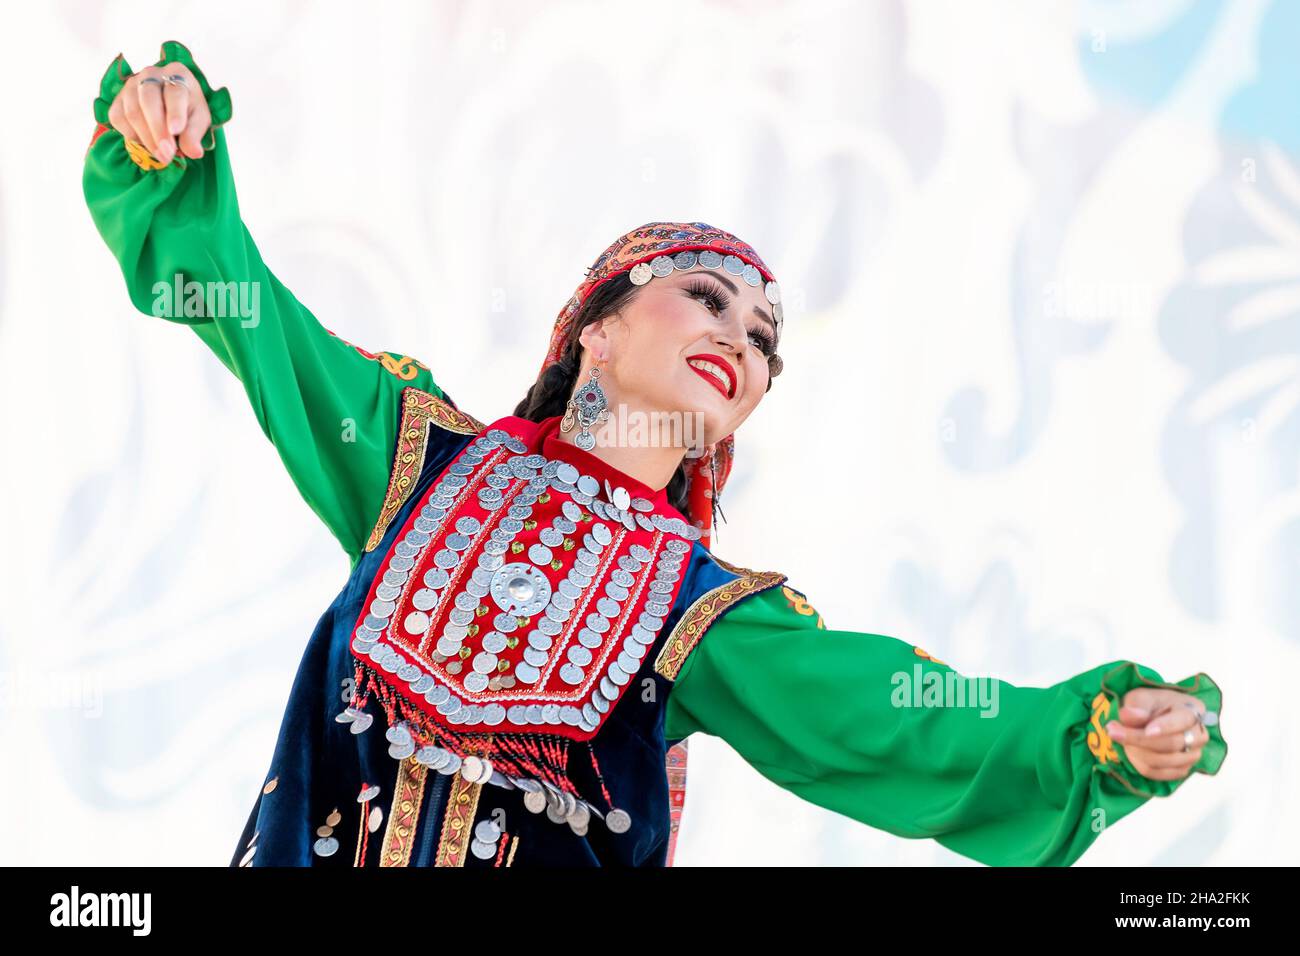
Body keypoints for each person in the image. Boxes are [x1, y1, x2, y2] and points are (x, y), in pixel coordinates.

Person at [83, 41, 1228, 868]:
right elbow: (250, 315)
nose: (740, 334)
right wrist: (170, 159)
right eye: (706, 296)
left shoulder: (702, 613)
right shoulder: (412, 459)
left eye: (765, 338)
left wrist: (1090, 736)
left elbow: (904, 719)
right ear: (596, 325)